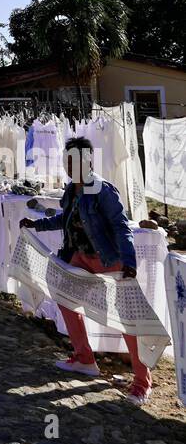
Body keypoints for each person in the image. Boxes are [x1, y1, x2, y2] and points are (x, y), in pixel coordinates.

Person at [20, 135, 149, 405]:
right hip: (80, 255)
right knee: (64, 296)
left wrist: (129, 261)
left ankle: (141, 382)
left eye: (74, 160)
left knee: (127, 317)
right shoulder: (71, 190)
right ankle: (84, 358)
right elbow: (65, 219)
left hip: (107, 258)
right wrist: (37, 225)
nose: (69, 165)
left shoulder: (103, 190)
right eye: (66, 160)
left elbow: (121, 226)